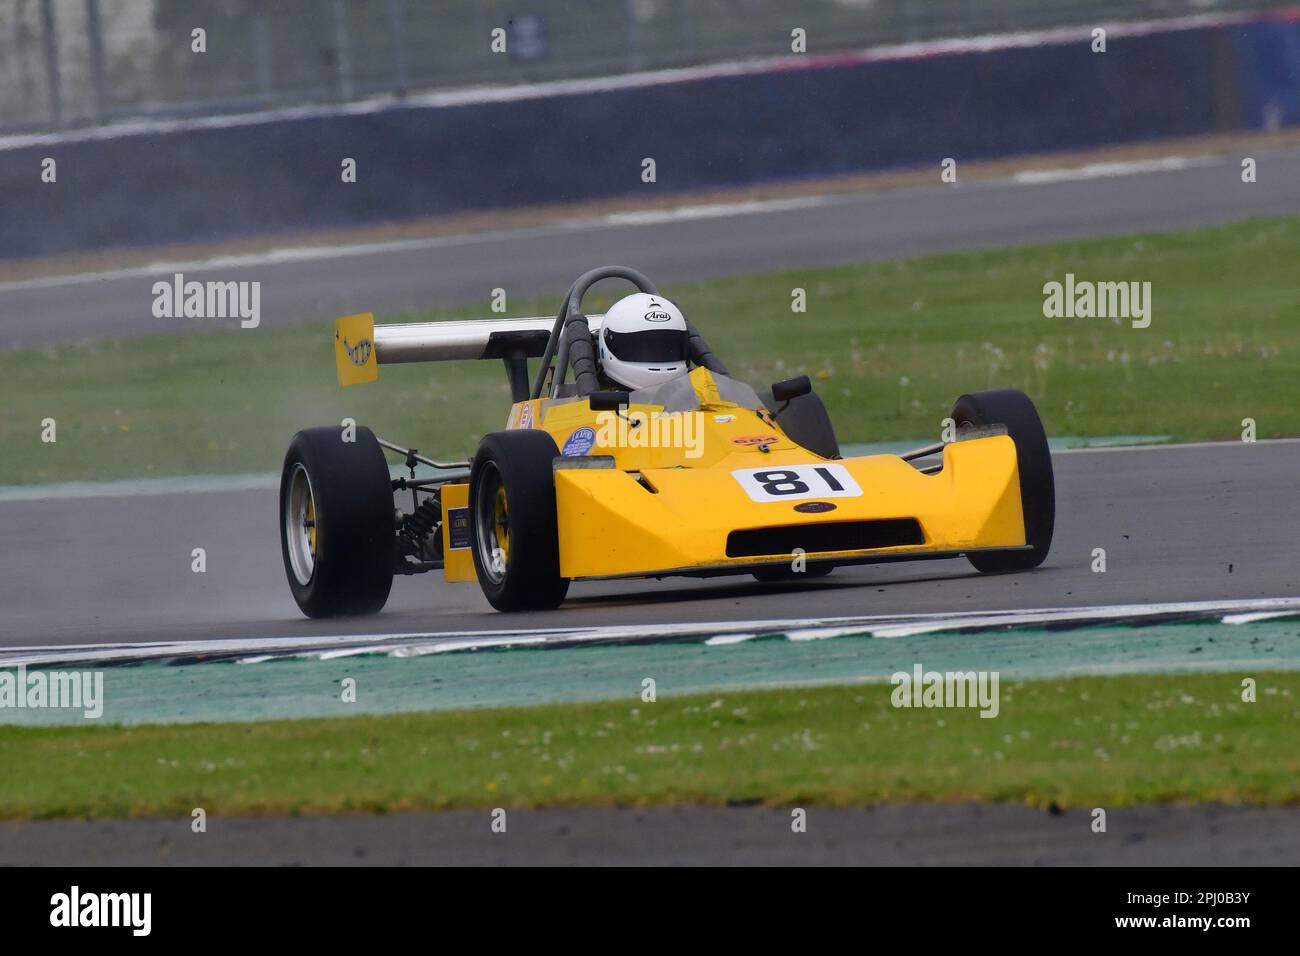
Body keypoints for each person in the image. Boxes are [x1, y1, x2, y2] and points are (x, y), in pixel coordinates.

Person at [595, 292, 693, 391]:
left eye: (666, 347)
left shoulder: (701, 393)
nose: (657, 355)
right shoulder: (700, 395)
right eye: (647, 349)